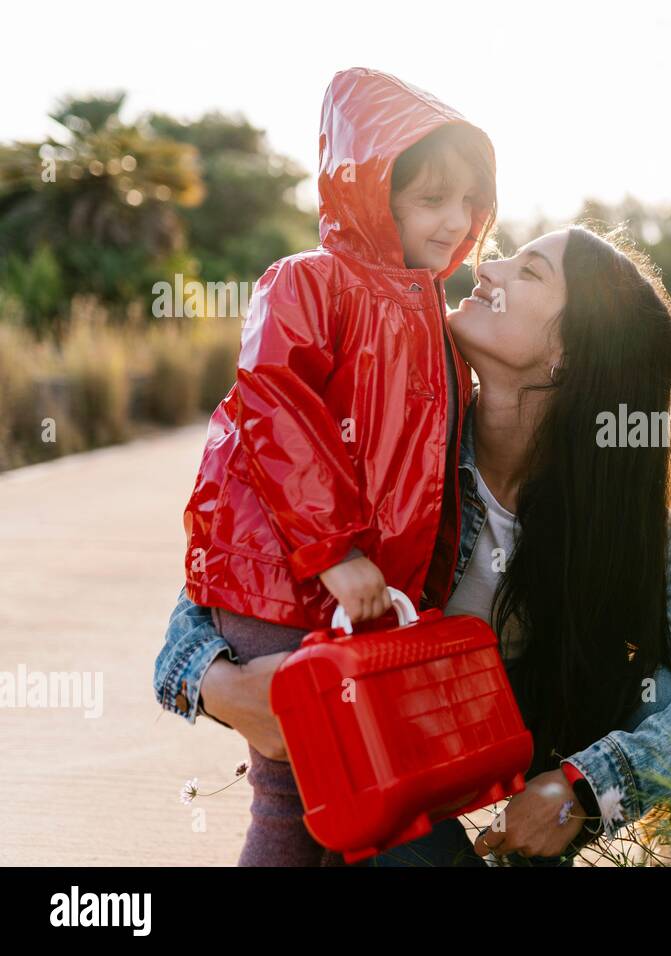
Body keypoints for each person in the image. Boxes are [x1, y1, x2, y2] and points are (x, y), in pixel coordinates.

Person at [156, 225, 671, 867]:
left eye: (530, 272)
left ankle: (532, 835)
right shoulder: (394, 440)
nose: (488, 268)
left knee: (662, 689)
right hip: (391, 740)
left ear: (570, 357)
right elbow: (230, 578)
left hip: (516, 734)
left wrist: (585, 790)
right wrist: (216, 683)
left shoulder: (620, 514)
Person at [175, 67, 496, 865]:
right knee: (290, 791)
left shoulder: (430, 313)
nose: (456, 221)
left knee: (353, 797)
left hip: (356, 588)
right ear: (371, 192)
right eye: (432, 199)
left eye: (470, 202)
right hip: (286, 577)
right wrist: (337, 550)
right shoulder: (309, 282)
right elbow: (276, 405)